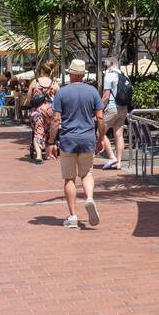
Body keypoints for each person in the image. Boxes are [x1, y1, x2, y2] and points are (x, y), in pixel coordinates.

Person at [50, 59, 104, 229]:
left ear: (71, 73)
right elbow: (100, 117)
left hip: (68, 139)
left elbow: (56, 119)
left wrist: (51, 141)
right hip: (88, 138)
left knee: (69, 178)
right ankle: (89, 197)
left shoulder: (62, 93)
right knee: (87, 173)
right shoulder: (93, 91)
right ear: (83, 74)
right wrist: (101, 137)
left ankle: (73, 216)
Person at [98, 57, 128, 171]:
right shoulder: (124, 75)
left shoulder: (109, 75)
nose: (104, 63)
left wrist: (99, 108)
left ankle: (111, 157)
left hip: (112, 107)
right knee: (119, 134)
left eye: (106, 62)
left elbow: (106, 96)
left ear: (111, 63)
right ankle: (119, 162)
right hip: (123, 108)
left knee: (99, 132)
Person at [25, 64, 59, 162]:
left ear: (42, 71)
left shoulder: (35, 82)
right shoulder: (54, 84)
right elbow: (59, 99)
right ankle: (48, 154)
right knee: (49, 132)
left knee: (38, 132)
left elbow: (29, 98)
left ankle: (39, 155)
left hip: (38, 112)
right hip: (51, 112)